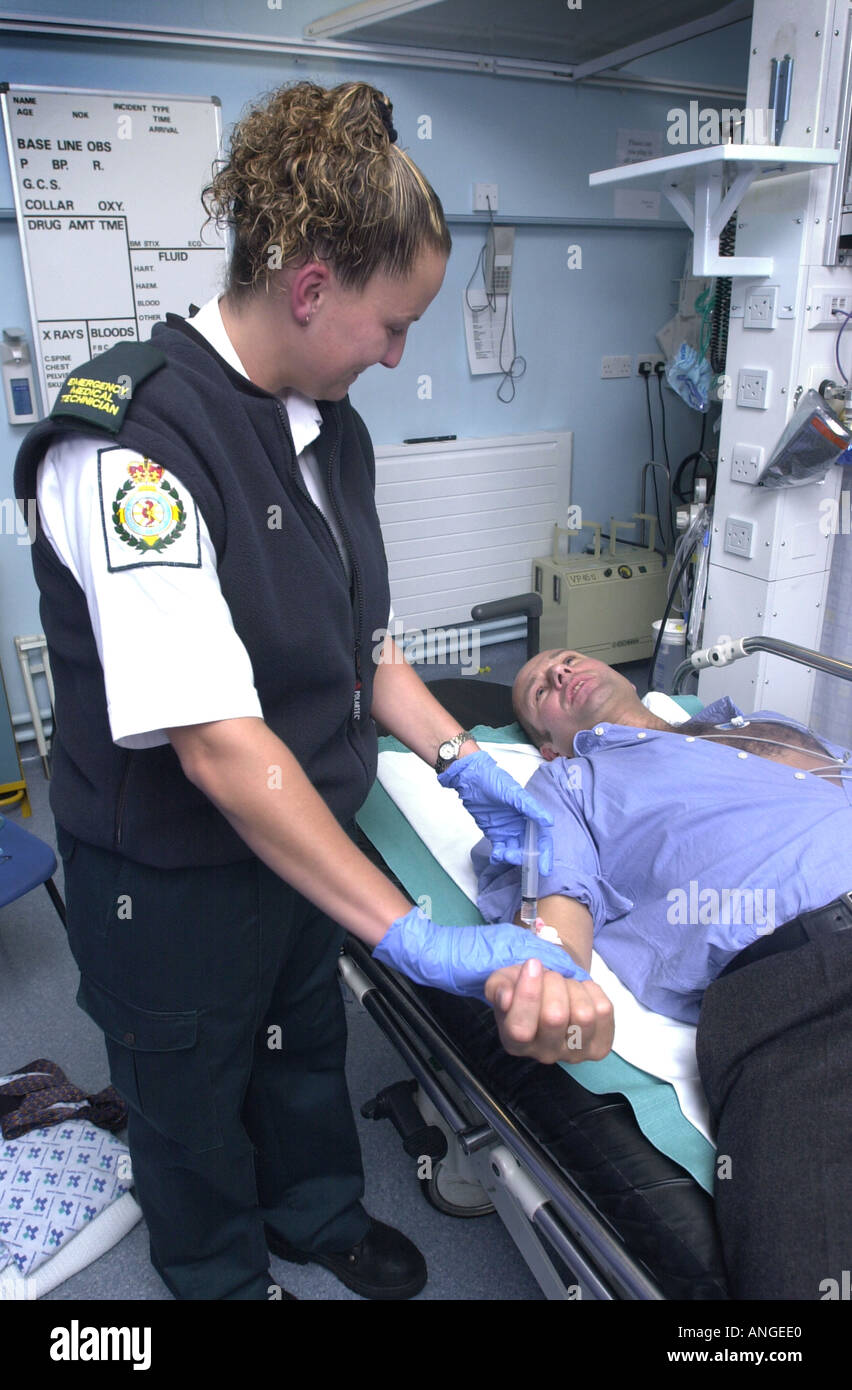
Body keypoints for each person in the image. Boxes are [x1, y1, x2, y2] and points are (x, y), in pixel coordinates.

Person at [13, 83, 584, 1303]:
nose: (399, 352)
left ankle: (318, 1214)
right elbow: (219, 743)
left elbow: (359, 645)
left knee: (300, 1042)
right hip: (170, 871)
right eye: (392, 323)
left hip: (300, 840)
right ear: (312, 284)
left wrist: (460, 760)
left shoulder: (333, 427)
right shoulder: (132, 447)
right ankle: (219, 1274)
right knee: (190, 1088)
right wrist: (407, 927)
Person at [479, 647, 852, 1299]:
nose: (560, 673)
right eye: (540, 689)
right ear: (547, 748)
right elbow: (554, 898)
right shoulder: (568, 786)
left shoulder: (756, 724)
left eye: (566, 659)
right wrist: (549, 979)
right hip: (799, 985)